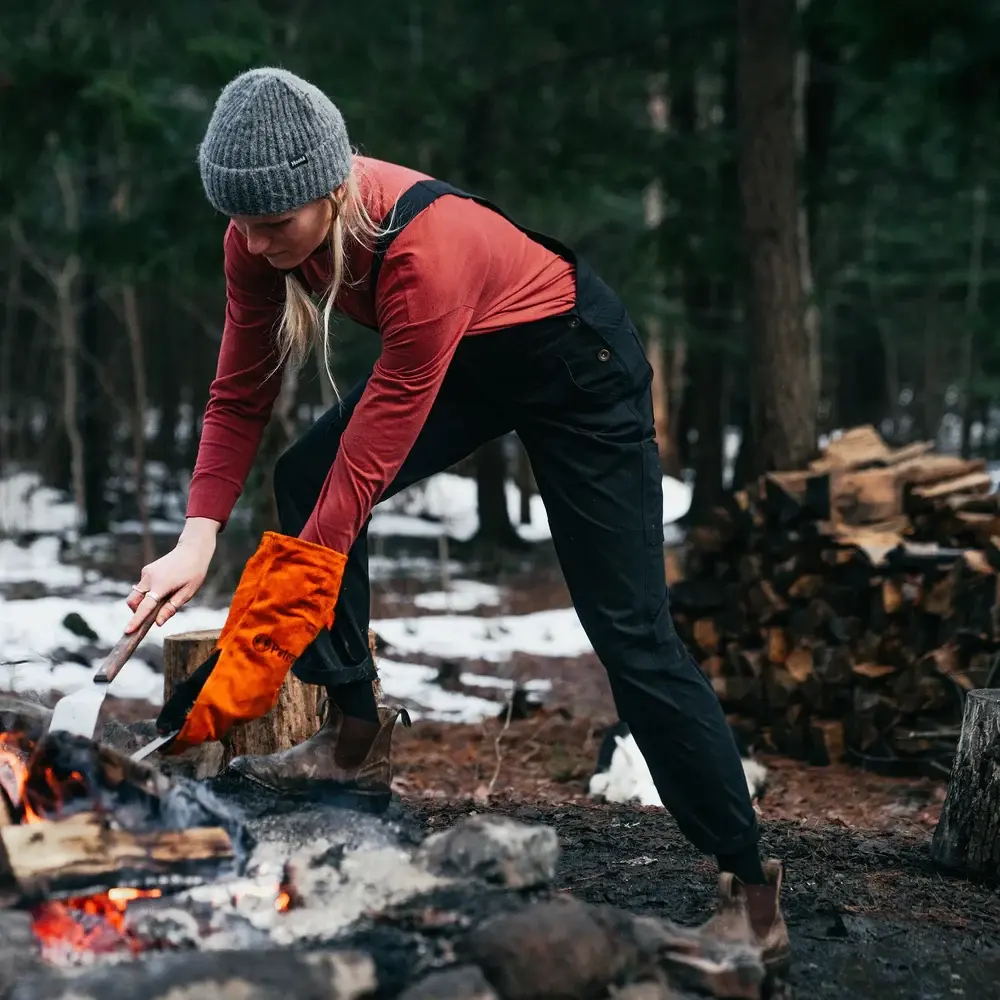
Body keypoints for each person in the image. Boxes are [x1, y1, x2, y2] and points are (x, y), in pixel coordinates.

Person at [125, 66, 789, 974]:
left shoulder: (422, 250)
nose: (255, 240)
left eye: (275, 222)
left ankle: (750, 893)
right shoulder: (253, 238)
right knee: (300, 473)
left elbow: (369, 461)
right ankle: (355, 738)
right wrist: (196, 537)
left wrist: (265, 630)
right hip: (465, 362)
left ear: (332, 187)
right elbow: (239, 390)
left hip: (575, 365)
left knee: (632, 635)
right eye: (241, 221)